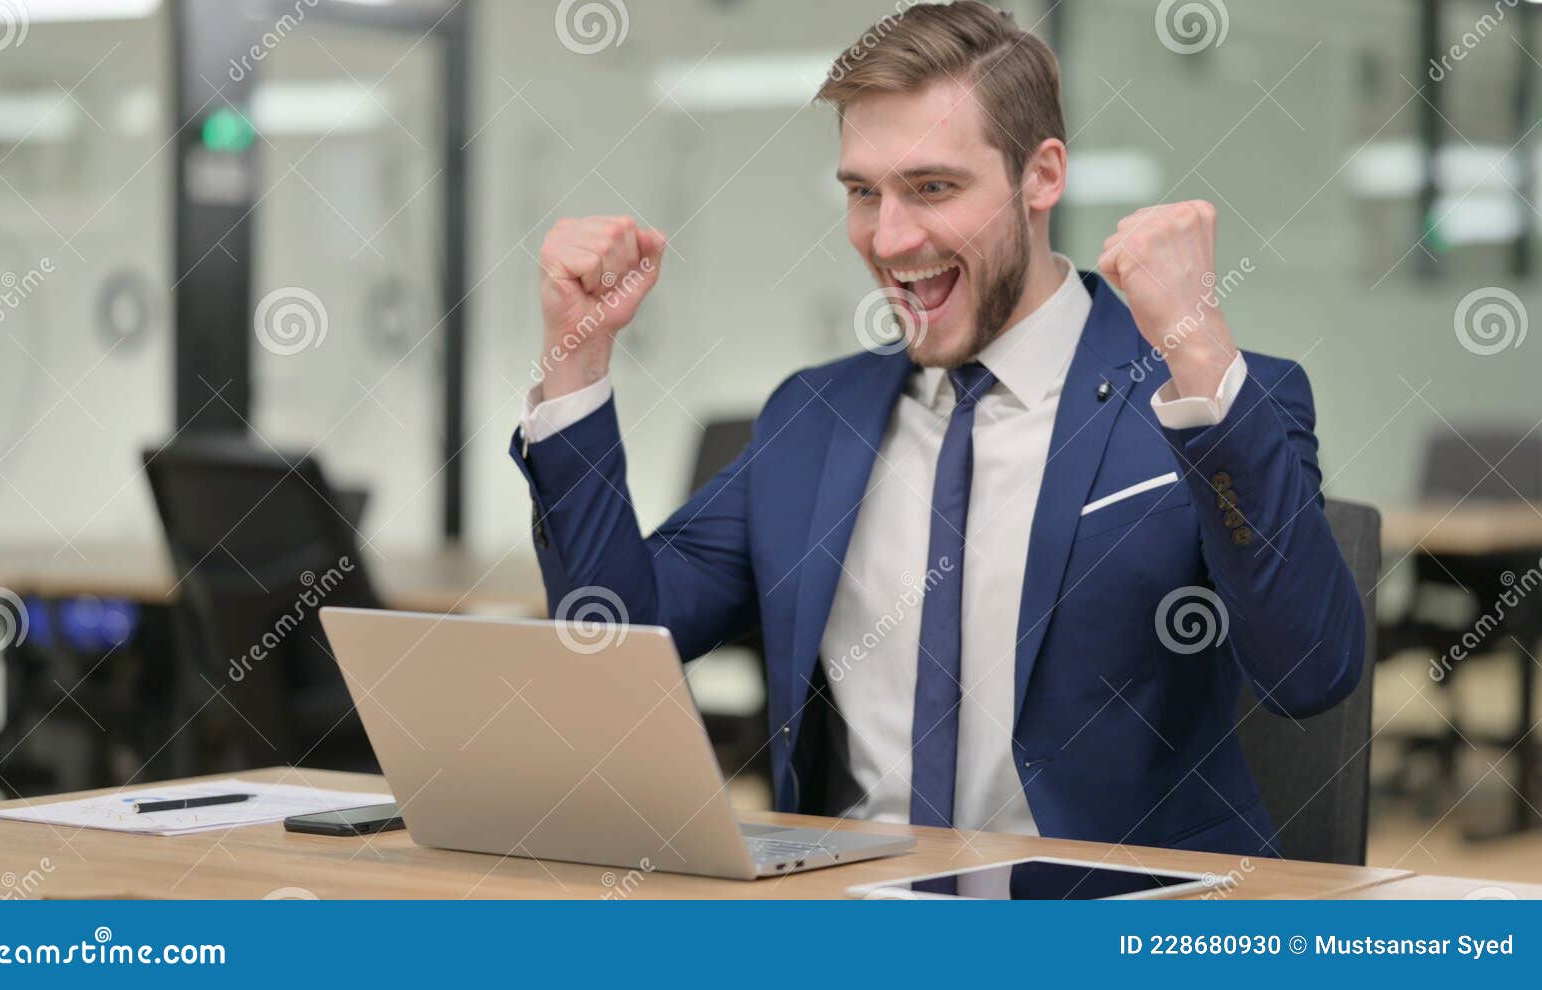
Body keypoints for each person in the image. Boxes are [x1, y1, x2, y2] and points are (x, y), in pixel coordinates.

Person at [509, 1, 1364, 855]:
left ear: (1042, 176)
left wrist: (1202, 347)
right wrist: (576, 360)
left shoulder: (1196, 398)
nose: (888, 237)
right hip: (849, 915)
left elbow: (1309, 672)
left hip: (1104, 924)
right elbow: (613, 641)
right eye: (861, 192)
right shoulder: (815, 417)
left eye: (932, 188)